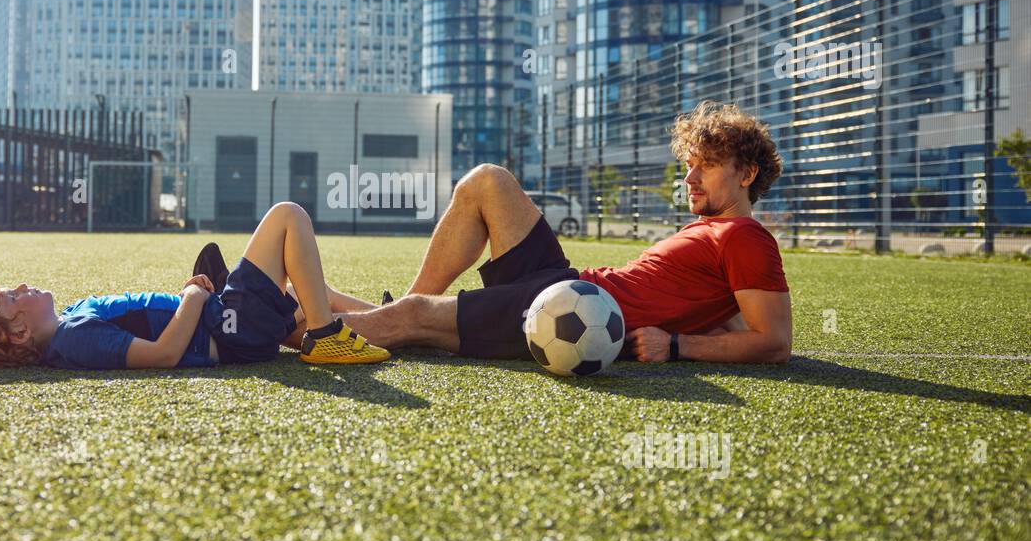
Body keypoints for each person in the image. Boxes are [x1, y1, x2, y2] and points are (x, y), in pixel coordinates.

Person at [340, 101, 793, 364]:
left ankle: (296, 325)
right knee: (488, 181)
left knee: (418, 315)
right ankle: (392, 317)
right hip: (568, 282)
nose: (690, 178)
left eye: (706, 167)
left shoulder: (745, 237)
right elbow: (730, 317)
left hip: (569, 313)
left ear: (747, 174)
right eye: (689, 166)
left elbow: (773, 341)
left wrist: (676, 344)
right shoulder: (710, 230)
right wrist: (699, 329)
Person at [0, 202, 390, 370]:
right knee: (288, 217)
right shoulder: (76, 338)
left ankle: (387, 315)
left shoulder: (68, 323)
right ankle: (327, 338)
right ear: (18, 333)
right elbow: (163, 355)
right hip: (229, 329)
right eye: (13, 299)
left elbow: (155, 326)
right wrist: (193, 298)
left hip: (223, 320)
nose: (21, 287)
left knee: (315, 297)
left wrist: (190, 298)